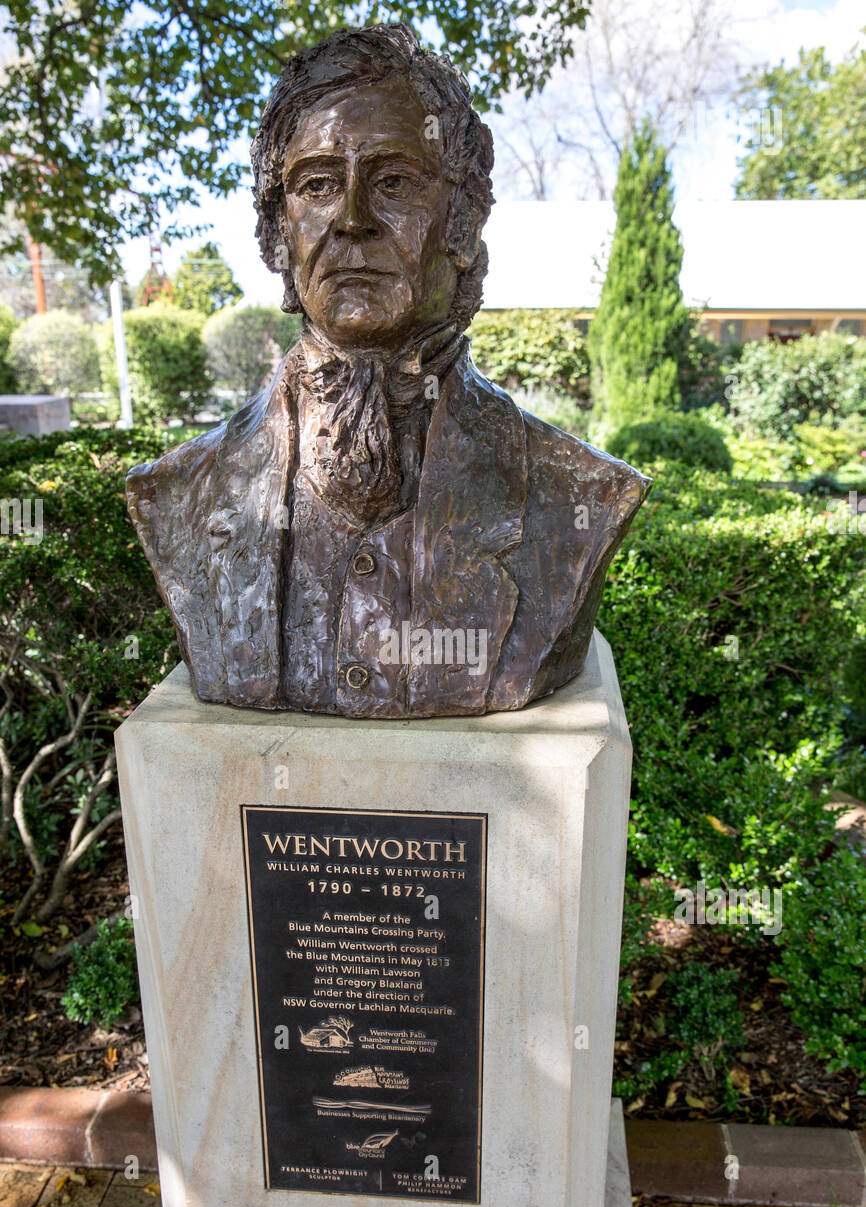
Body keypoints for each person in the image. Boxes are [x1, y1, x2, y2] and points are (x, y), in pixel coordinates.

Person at [126, 24, 650, 717]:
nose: (351, 220)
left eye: (394, 182)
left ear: (462, 221)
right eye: (316, 185)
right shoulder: (176, 493)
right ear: (278, 234)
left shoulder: (579, 494)